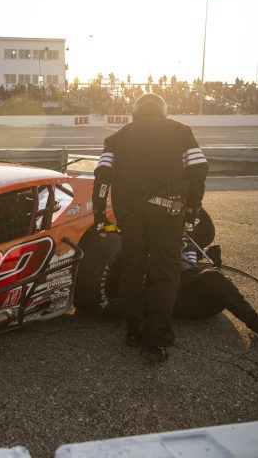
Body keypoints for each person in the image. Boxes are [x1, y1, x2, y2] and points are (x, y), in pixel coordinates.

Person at [92, 93, 208, 362]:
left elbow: (102, 176)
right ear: (163, 111)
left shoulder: (116, 138)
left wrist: (100, 214)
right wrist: (193, 207)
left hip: (131, 214)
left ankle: (133, 332)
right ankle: (156, 341)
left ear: (135, 113)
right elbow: (199, 168)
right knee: (165, 273)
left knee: (132, 269)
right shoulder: (181, 131)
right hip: (168, 211)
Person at [176, 210, 258, 342]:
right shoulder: (149, 233)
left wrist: (208, 252)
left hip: (208, 301)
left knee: (213, 276)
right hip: (170, 296)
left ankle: (255, 322)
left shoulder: (187, 240)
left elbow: (191, 258)